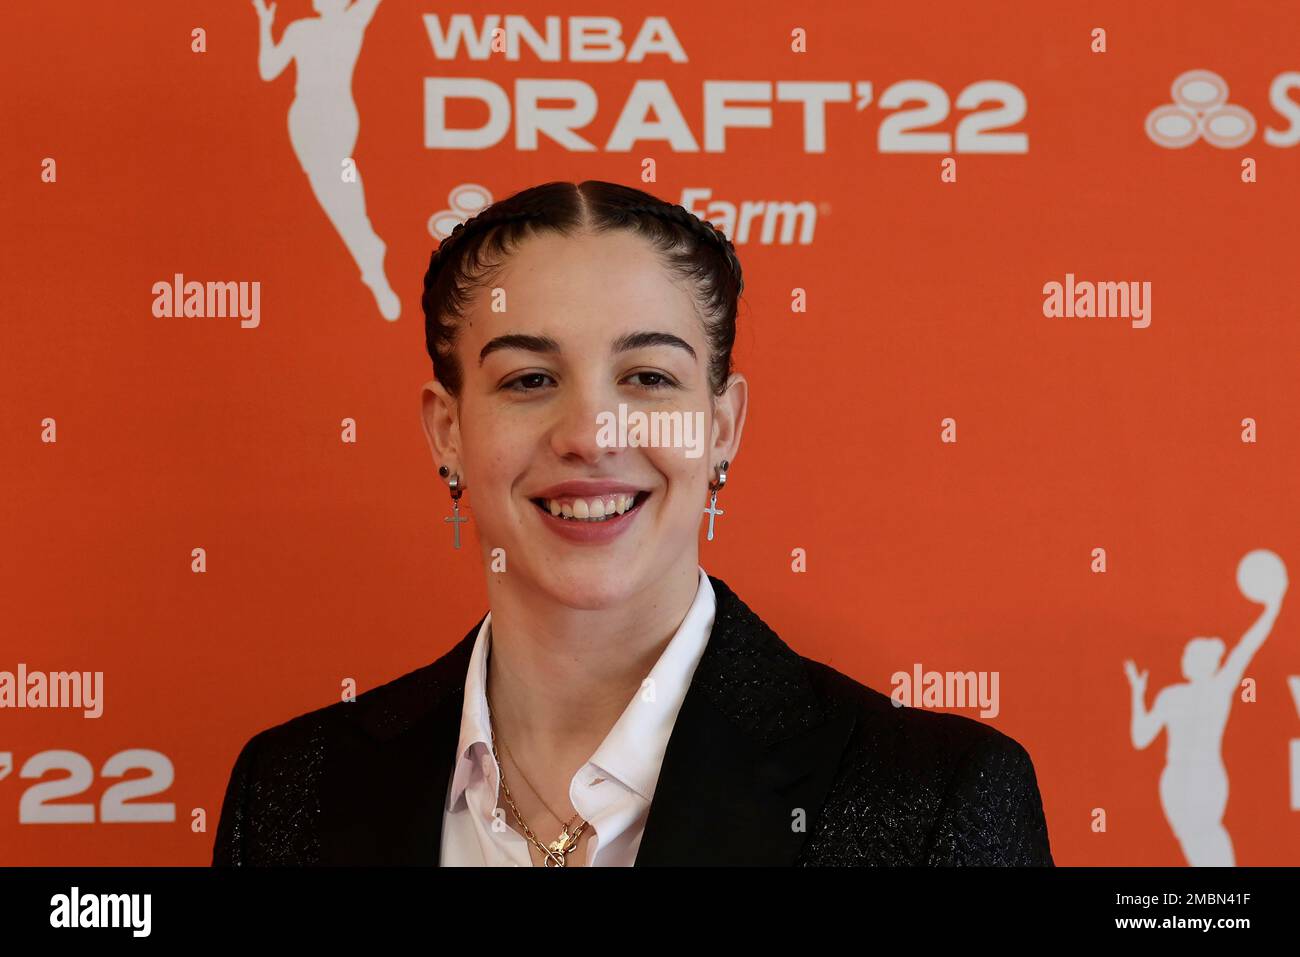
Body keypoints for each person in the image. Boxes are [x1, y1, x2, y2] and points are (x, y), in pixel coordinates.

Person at [212, 180, 1053, 866]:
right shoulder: (294, 791)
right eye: (529, 380)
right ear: (447, 430)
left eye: (649, 377)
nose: (591, 434)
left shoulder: (933, 798)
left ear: (721, 428)